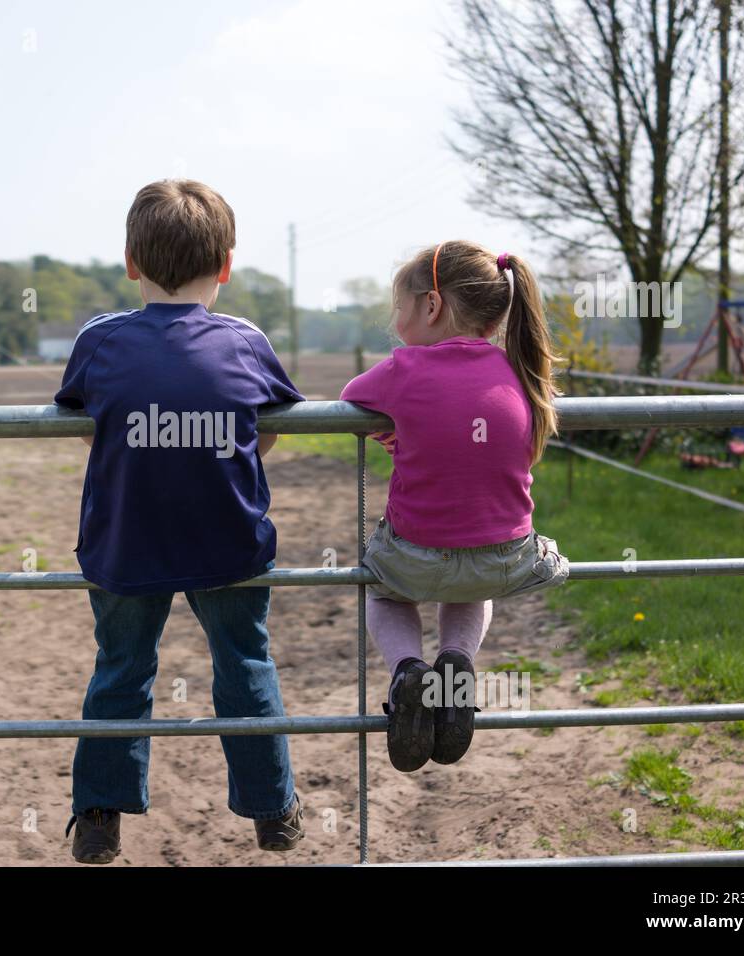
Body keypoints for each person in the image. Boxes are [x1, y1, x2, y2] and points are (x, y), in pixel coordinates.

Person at [54, 179, 305, 863]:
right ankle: (272, 807)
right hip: (230, 542)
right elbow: (269, 435)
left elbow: (90, 430)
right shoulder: (246, 341)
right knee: (245, 666)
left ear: (130, 262)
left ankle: (100, 810)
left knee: (121, 670)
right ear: (225, 264)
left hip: (127, 542)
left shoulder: (98, 340)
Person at [340, 240, 570, 773]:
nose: (397, 322)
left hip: (416, 557)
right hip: (505, 559)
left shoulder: (405, 369)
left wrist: (394, 429)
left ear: (431, 306)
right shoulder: (522, 372)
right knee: (473, 579)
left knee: (383, 592)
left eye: (399, 307)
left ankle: (407, 673)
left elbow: (352, 395)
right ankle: (456, 668)